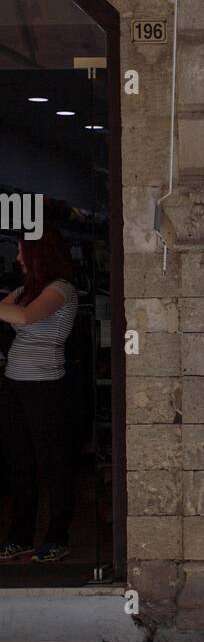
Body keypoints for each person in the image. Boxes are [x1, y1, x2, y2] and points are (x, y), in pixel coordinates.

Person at [0, 227, 79, 563]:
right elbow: (7, 308)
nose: (17, 258)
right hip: (14, 384)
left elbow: (23, 316)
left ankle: (57, 537)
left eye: (21, 252)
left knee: (53, 463)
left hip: (45, 387)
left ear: (38, 253)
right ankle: (20, 537)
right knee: (19, 462)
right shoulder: (24, 288)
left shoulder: (60, 290)